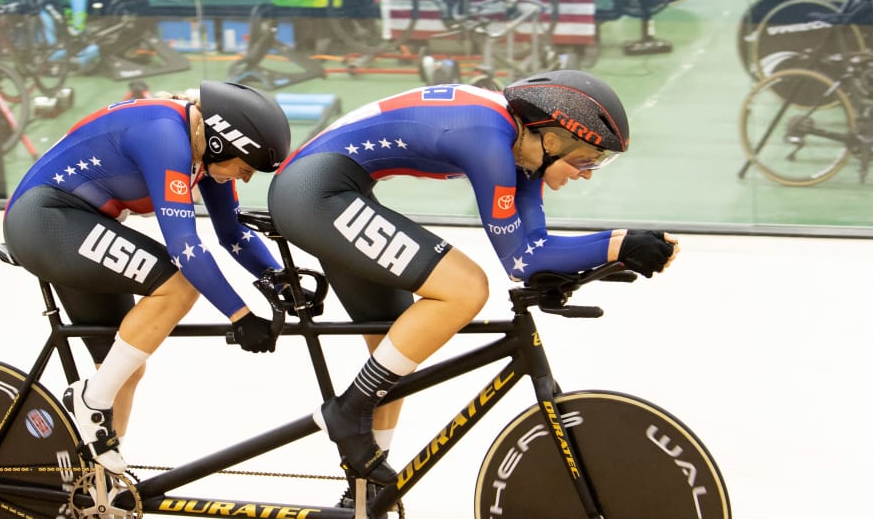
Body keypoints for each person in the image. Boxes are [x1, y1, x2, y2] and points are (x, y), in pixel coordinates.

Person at [267, 72, 679, 486]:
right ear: (551, 141)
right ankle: (347, 411)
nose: (589, 173)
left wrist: (613, 255)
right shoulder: (488, 139)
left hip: (335, 190)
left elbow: (533, 249)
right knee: (466, 288)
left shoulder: (522, 151)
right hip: (312, 193)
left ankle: (363, 494)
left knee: (397, 350)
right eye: (588, 159)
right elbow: (521, 260)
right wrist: (620, 244)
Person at [2, 80, 292, 473]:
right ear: (223, 142)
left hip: (74, 222)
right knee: (177, 286)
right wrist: (241, 316)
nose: (245, 180)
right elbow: (184, 246)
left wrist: (277, 277)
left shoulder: (201, 146)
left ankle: (97, 480)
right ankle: (88, 401)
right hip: (46, 219)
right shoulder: (166, 136)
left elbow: (232, 234)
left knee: (123, 370)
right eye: (245, 169)